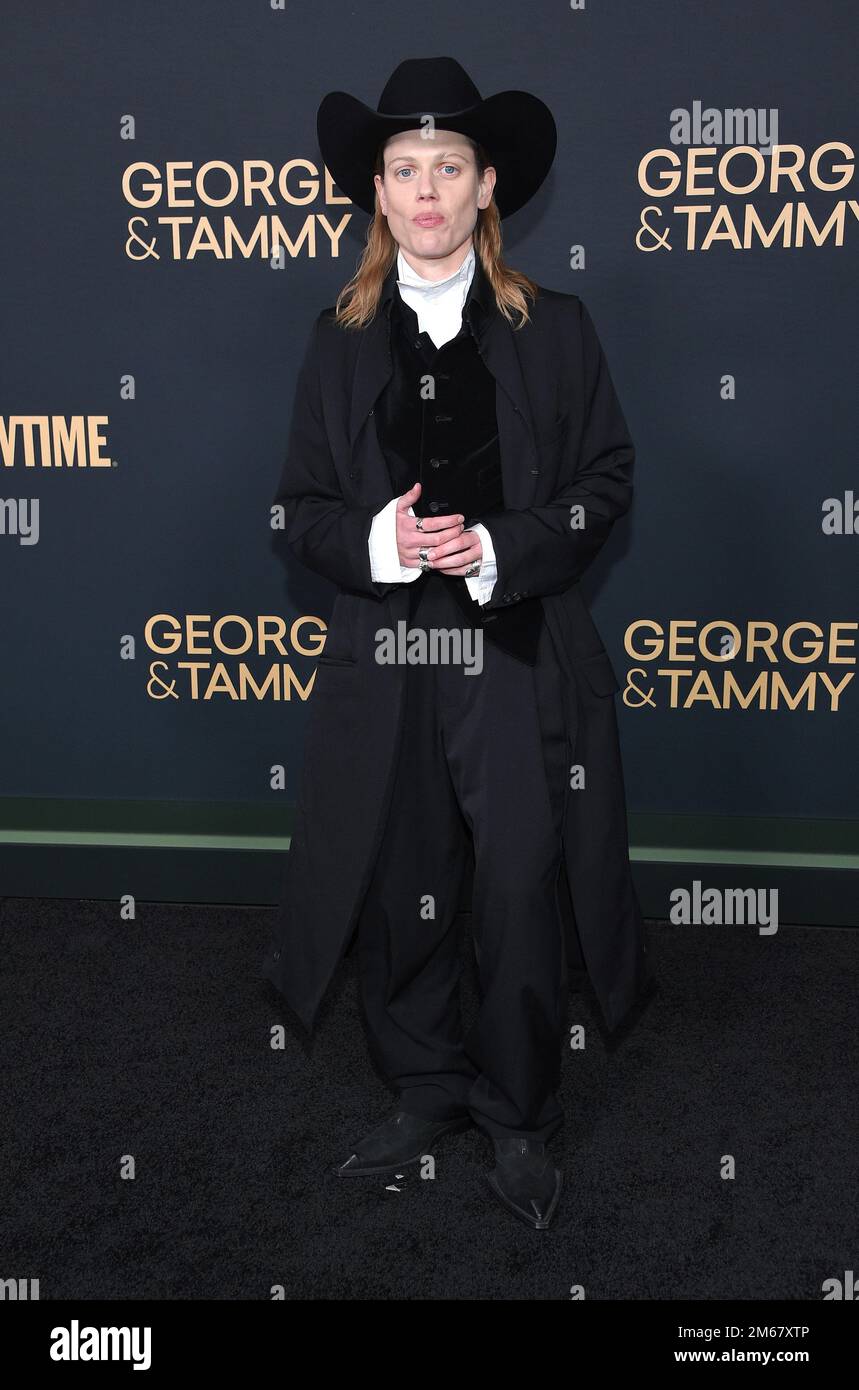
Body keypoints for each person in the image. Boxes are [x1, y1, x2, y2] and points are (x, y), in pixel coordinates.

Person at [262, 56, 653, 1230]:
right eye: (401, 170)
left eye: (447, 168)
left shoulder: (559, 328)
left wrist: (497, 548)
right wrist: (378, 537)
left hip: (515, 650)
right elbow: (296, 510)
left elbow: (606, 479)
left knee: (521, 882)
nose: (424, 191)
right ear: (375, 196)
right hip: (386, 663)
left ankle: (520, 1111)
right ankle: (424, 1084)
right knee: (406, 875)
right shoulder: (336, 341)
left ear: (488, 188)